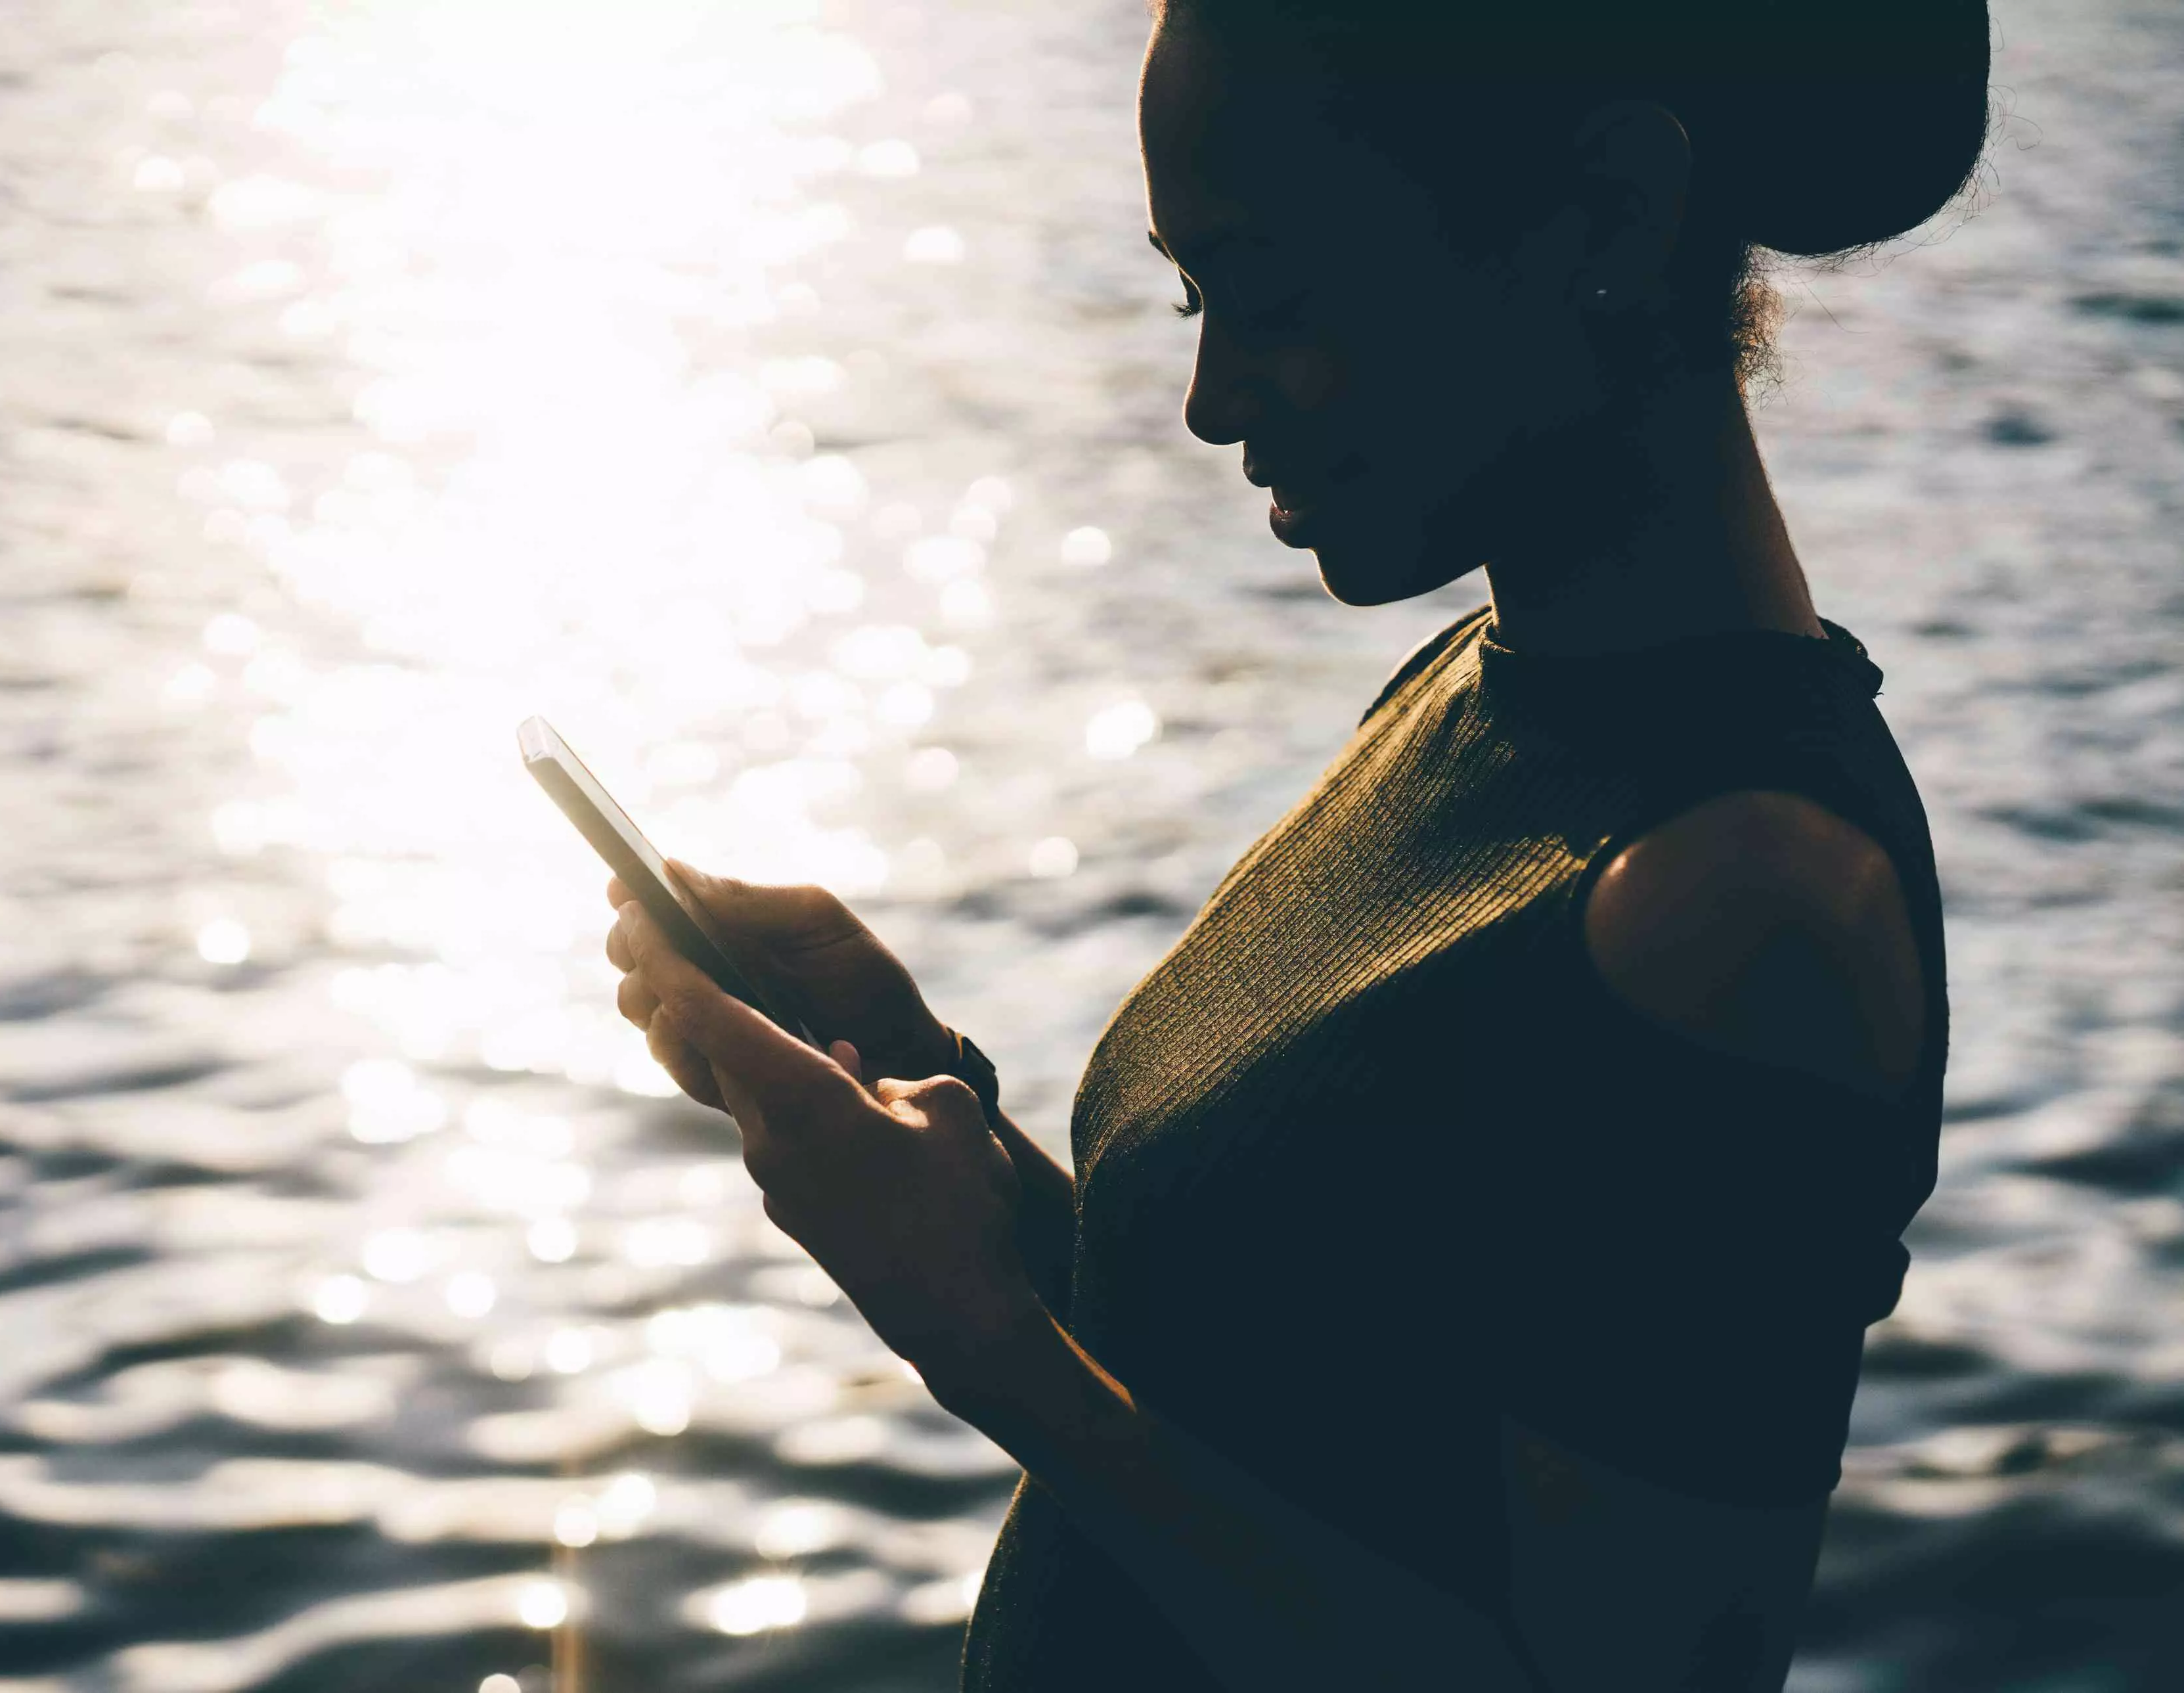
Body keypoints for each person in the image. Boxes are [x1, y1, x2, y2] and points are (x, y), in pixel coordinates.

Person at [603, 1, 1984, 1685]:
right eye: (1197, 300)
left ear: (1610, 216)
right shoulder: (1477, 697)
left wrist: (975, 1337)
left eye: (1274, 300)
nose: (1207, 398)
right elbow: (1274, 1384)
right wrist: (917, 1072)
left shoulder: (1745, 904)